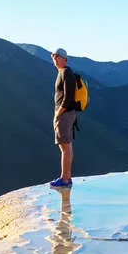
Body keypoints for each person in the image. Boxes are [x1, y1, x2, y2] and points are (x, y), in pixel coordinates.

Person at [50, 47, 76, 188]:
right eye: (53, 56)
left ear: (65, 59)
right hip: (67, 113)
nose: (55, 58)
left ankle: (64, 179)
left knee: (64, 147)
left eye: (58, 56)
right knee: (67, 146)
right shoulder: (63, 72)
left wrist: (59, 112)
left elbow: (68, 96)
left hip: (64, 114)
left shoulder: (66, 72)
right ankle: (67, 177)